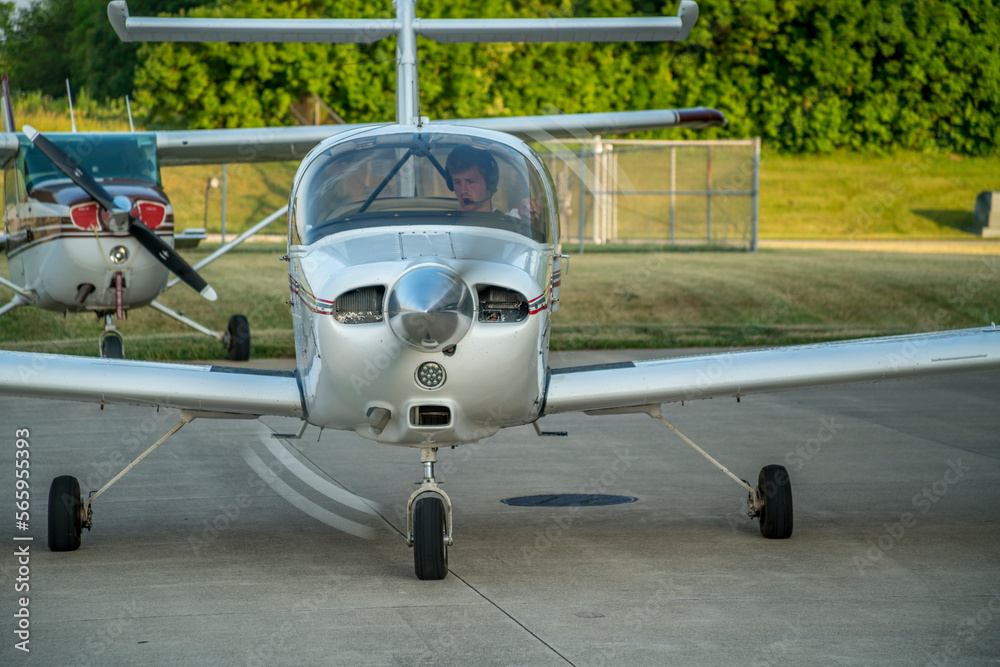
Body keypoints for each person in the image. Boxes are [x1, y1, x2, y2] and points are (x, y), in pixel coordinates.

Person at [445, 145, 541, 220]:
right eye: (457, 182)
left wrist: (529, 215)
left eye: (470, 181)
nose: (463, 190)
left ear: (490, 181)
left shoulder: (512, 223)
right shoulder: (445, 225)